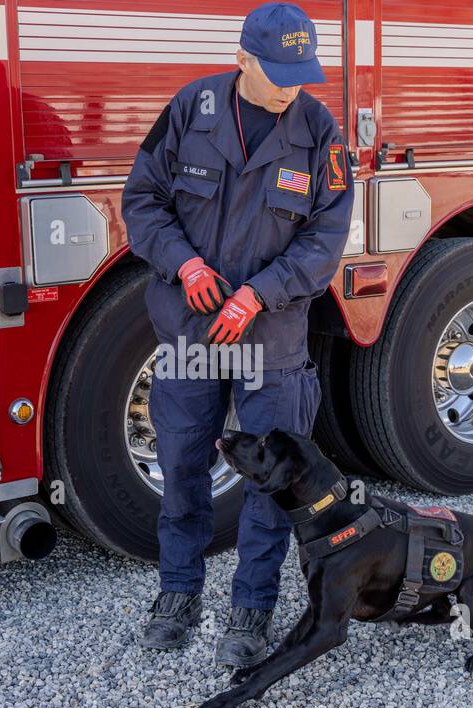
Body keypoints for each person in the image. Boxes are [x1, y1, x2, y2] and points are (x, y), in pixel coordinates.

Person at [121, 2, 354, 666]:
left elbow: (325, 238)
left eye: (301, 71)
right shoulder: (191, 110)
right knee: (184, 467)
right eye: (277, 71)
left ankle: (250, 609)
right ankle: (178, 595)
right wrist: (184, 262)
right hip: (191, 329)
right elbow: (142, 200)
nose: (290, 86)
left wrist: (260, 292)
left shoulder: (319, 132)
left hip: (271, 338)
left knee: (270, 482)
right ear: (243, 58)